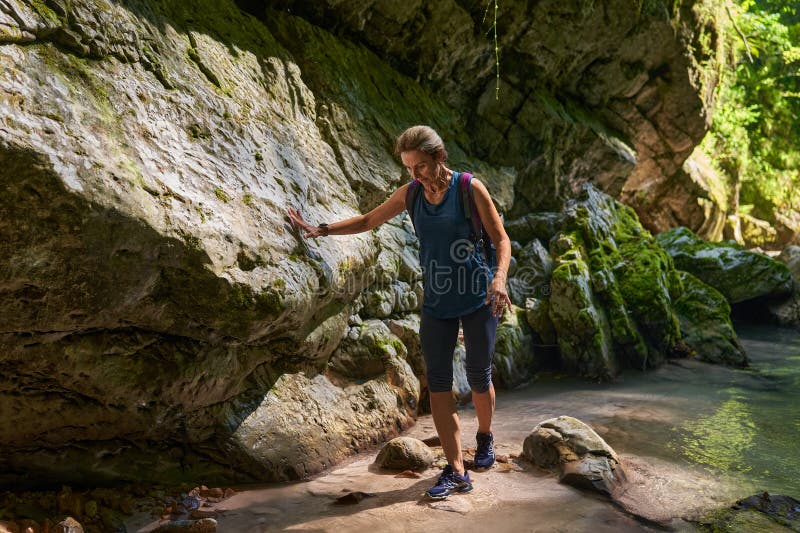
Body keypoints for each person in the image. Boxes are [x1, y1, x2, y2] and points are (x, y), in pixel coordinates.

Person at [287, 125, 512, 499]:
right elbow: (367, 220)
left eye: (420, 165)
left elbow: (501, 239)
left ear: (439, 157)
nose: (415, 174)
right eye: (408, 167)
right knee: (437, 382)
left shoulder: (470, 188)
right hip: (437, 302)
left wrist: (500, 279)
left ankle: (485, 437)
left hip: (479, 297)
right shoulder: (411, 194)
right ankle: (457, 470)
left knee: (478, 373)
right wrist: (320, 229)